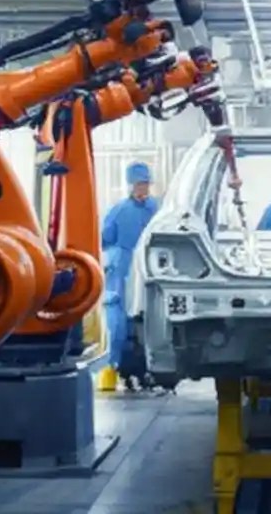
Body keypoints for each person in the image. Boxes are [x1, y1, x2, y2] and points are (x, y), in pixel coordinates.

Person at [100, 162, 159, 391]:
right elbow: (105, 239)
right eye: (139, 184)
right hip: (123, 271)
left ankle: (147, 370)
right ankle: (116, 368)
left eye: (145, 184)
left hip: (148, 269)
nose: (143, 188)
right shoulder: (119, 211)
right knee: (119, 324)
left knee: (147, 321)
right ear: (131, 185)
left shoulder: (156, 209)